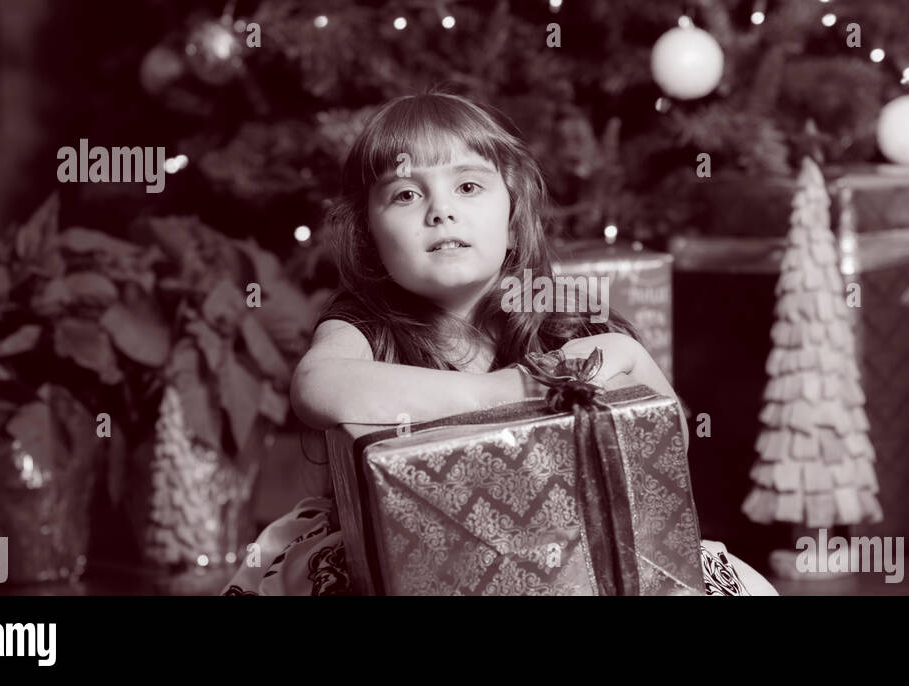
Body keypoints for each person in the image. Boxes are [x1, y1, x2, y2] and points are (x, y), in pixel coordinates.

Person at [222, 90, 776, 596]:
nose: (440, 210)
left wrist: (629, 358)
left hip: (567, 546)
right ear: (369, 238)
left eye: (468, 186)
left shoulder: (562, 317)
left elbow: (666, 441)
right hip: (411, 560)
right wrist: (501, 390)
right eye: (406, 194)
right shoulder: (364, 322)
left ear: (513, 221)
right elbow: (316, 386)